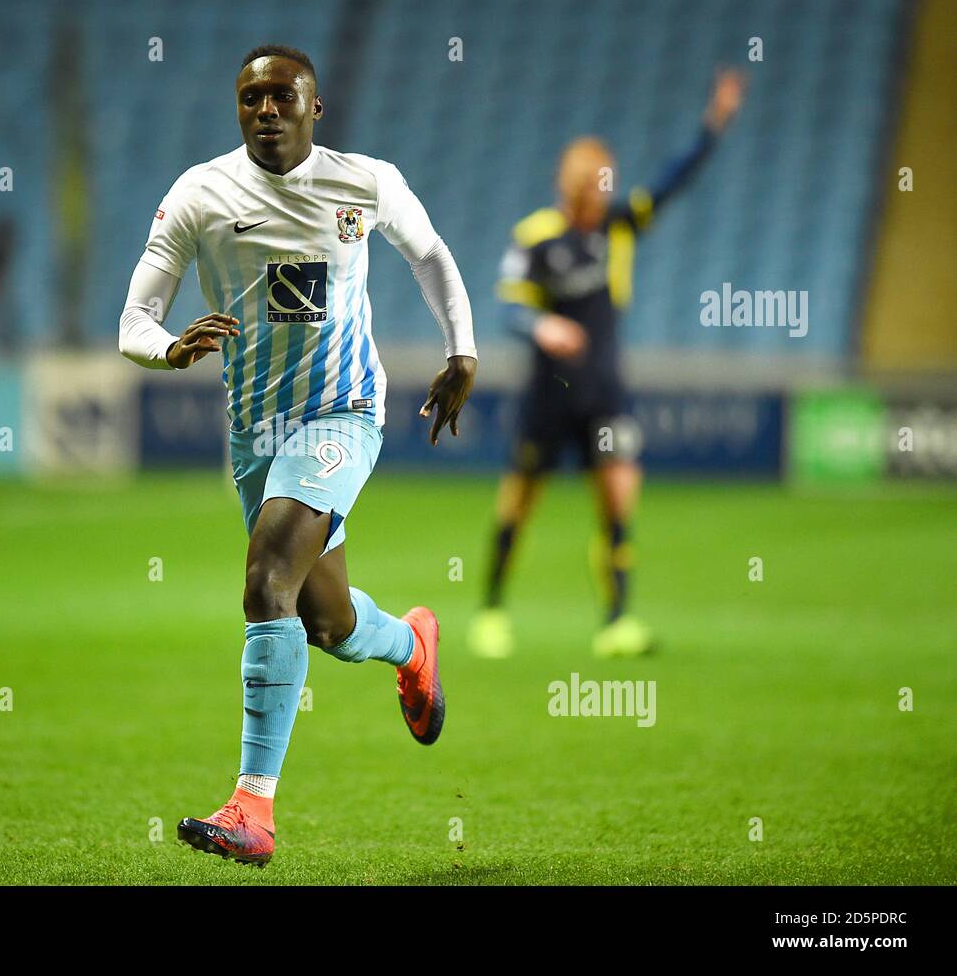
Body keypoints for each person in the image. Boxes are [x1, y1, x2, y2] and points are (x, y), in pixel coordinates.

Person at [118, 45, 476, 865]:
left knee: (264, 573)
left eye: (283, 97)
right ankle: (411, 645)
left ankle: (253, 809)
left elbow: (429, 254)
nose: (266, 110)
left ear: (317, 108)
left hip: (342, 414)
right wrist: (170, 349)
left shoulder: (365, 182)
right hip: (256, 434)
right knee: (328, 621)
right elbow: (135, 315)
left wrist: (463, 348)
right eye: (251, 98)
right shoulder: (198, 195)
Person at [469, 69, 746, 660]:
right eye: (592, 187)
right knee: (518, 502)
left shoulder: (621, 225)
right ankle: (491, 612)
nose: (601, 195)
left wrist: (713, 124)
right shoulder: (536, 237)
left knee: (619, 496)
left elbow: (674, 181)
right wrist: (544, 324)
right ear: (571, 189)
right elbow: (507, 308)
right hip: (549, 396)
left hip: (604, 393)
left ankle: (617, 620)